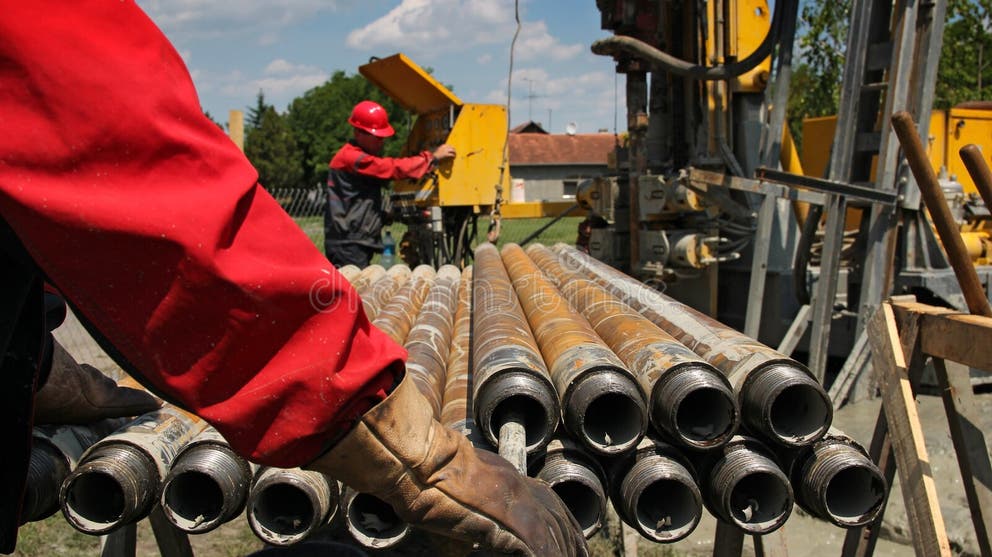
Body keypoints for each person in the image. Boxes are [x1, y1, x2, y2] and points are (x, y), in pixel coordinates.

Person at [0, 3, 586, 556]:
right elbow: (157, 202)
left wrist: (31, 353)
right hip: (347, 246)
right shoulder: (349, 157)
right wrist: (423, 456)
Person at [324, 101, 456, 267]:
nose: (381, 142)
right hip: (349, 244)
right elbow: (390, 168)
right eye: (377, 137)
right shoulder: (353, 158)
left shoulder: (354, 157)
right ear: (359, 132)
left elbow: (356, 200)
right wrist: (433, 158)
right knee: (353, 291)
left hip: (352, 241)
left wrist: (385, 215)